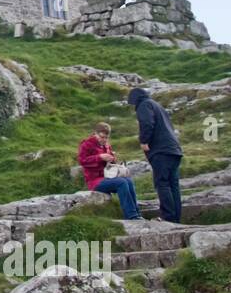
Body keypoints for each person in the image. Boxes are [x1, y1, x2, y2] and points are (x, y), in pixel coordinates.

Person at [127, 87, 183, 223]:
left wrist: (144, 140)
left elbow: (147, 123)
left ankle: (167, 217)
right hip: (174, 150)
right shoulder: (157, 105)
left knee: (162, 183)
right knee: (173, 184)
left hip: (161, 151)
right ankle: (175, 217)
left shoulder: (144, 105)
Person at [77, 122, 140, 220]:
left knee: (129, 181)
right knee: (121, 182)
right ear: (95, 134)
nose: (104, 140)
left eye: (106, 138)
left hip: (107, 177)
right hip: (94, 181)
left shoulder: (106, 145)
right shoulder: (86, 144)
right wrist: (99, 157)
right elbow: (82, 161)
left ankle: (137, 214)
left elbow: (111, 160)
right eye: (101, 137)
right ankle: (131, 216)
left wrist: (112, 159)